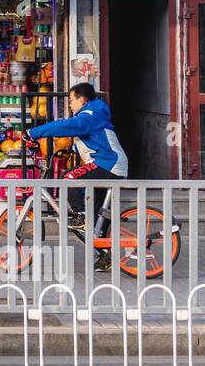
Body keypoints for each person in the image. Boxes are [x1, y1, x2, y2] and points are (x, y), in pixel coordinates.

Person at [25, 83, 129, 270]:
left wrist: (33, 133)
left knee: (68, 178)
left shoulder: (88, 116)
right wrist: (70, 149)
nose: (70, 105)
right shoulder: (94, 115)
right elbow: (96, 141)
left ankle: (78, 217)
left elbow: (64, 126)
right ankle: (105, 257)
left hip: (108, 164)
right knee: (99, 218)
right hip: (111, 164)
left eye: (71, 101)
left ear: (82, 100)